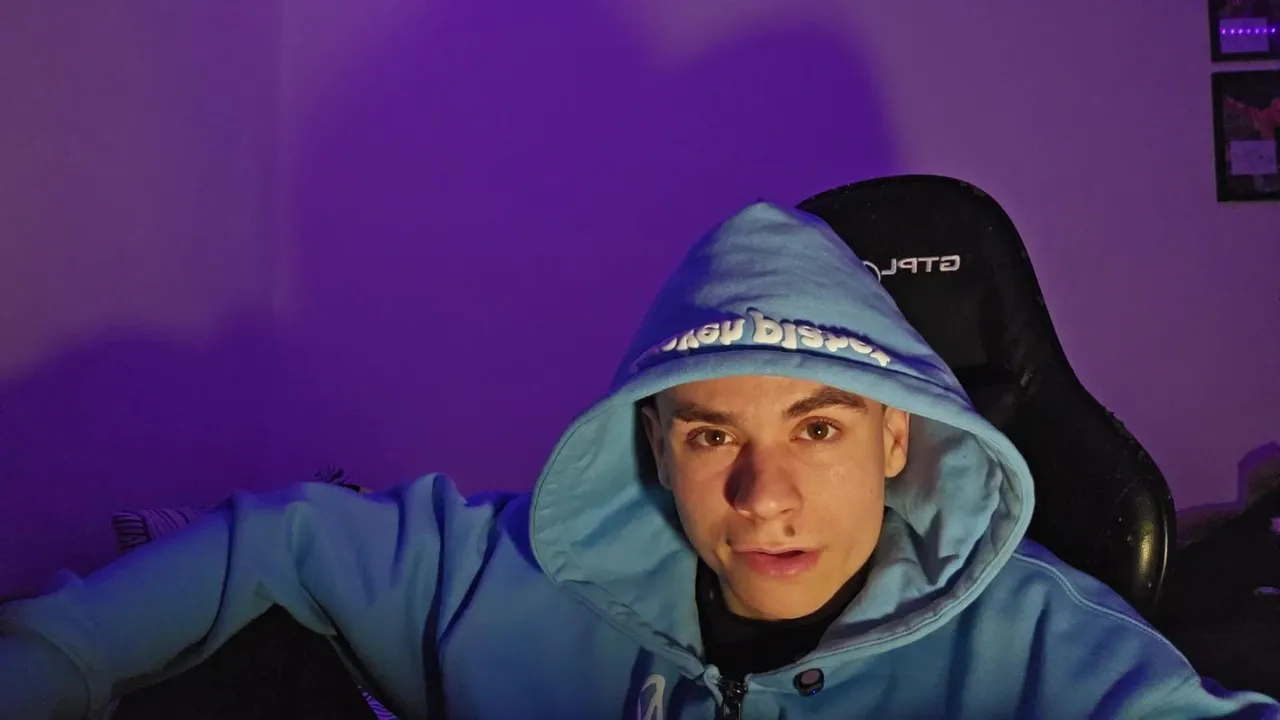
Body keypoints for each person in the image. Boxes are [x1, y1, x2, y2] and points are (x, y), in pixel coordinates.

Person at [1, 202, 1276, 719]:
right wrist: (51, 658)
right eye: (712, 434)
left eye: (818, 429)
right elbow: (279, 542)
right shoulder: (502, 576)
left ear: (896, 438)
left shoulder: (1045, 652)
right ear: (654, 446)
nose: (761, 497)